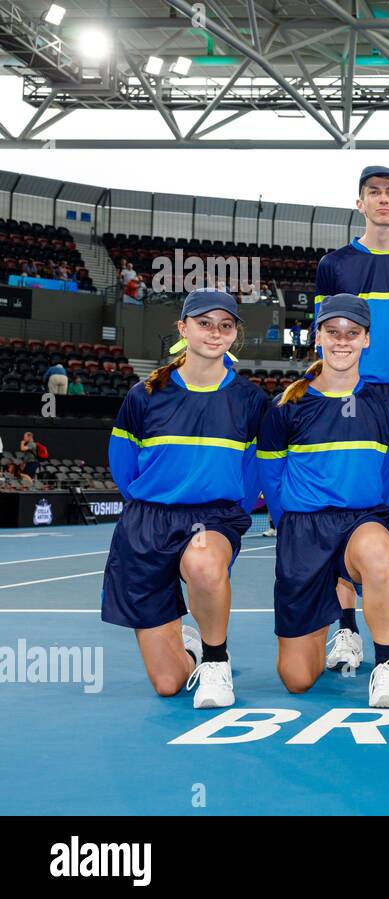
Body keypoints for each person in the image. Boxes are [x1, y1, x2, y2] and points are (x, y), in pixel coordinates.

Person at [102, 290, 266, 708]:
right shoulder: (145, 394)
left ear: (235, 335)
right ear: (183, 328)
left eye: (225, 325)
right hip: (147, 524)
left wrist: (231, 515)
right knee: (168, 682)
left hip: (212, 518)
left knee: (203, 564)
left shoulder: (250, 400)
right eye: (204, 323)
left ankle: (215, 660)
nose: (215, 332)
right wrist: (157, 501)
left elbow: (253, 471)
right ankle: (191, 649)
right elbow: (124, 467)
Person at [257, 294, 389, 707]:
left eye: (352, 333)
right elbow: (271, 479)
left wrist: (375, 517)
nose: (342, 341)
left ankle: (387, 666)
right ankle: (330, 625)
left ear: (366, 340)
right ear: (318, 337)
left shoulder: (385, 403)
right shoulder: (286, 406)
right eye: (333, 332)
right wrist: (290, 525)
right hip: (303, 533)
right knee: (297, 679)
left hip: (361, 522)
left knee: (380, 552)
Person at [314, 165, 389, 672]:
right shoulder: (334, 263)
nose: (383, 200)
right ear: (359, 203)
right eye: (374, 193)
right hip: (351, 395)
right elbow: (323, 336)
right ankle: (346, 631)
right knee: (349, 511)